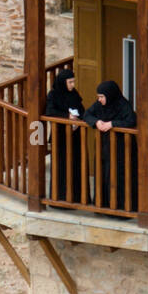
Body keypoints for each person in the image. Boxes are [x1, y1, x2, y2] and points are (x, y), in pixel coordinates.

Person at [84, 80, 139, 211]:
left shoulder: (122, 104)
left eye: (102, 97)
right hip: (105, 147)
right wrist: (96, 122)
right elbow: (87, 114)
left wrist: (112, 124)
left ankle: (121, 207)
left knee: (119, 175)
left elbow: (131, 120)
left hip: (122, 149)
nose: (100, 100)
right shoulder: (99, 105)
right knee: (104, 174)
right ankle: (104, 205)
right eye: (99, 97)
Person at [44, 70, 86, 202]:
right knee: (60, 166)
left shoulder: (74, 94)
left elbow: (82, 109)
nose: (72, 85)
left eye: (73, 81)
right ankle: (59, 198)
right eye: (70, 82)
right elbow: (50, 111)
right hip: (60, 136)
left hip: (75, 136)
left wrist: (78, 117)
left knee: (75, 165)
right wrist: (67, 116)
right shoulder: (53, 95)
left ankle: (76, 197)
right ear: (63, 83)